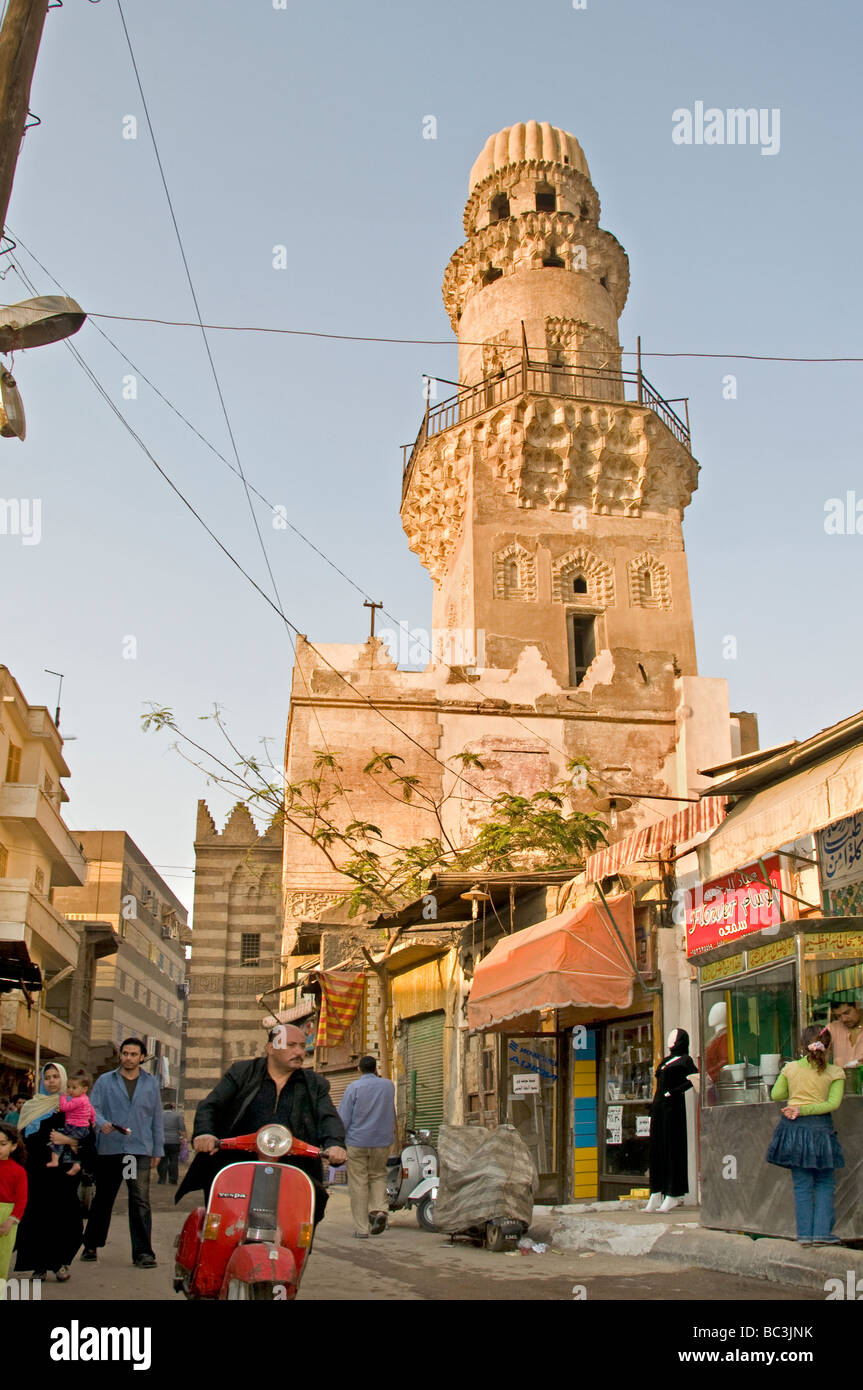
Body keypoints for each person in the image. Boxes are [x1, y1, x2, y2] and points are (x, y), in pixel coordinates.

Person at [176, 1023, 347, 1225]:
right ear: (270, 1048)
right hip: (237, 1163)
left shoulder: (314, 1083)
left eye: (302, 1046)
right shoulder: (242, 1072)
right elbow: (210, 1105)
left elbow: (328, 1117)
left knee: (304, 1219)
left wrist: (335, 1144)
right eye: (291, 1045)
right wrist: (205, 1133)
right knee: (222, 1222)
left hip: (294, 1167)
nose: (300, 1051)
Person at [80, 1038, 164, 1269]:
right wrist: (102, 1123)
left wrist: (157, 1150)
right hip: (110, 1147)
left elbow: (156, 1118)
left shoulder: (150, 1083)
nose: (128, 1058)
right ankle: (91, 1245)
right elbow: (92, 1108)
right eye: (125, 1053)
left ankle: (143, 1253)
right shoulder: (106, 1081)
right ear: (120, 1056)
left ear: (142, 1057)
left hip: (138, 1150)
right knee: (104, 1198)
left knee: (140, 1200)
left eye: (133, 1054)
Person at [14, 1062, 94, 1283]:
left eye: (55, 1077)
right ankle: (38, 1266)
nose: (51, 1081)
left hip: (64, 1171)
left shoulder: (75, 1104)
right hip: (36, 1171)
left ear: (64, 1080)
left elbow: (88, 1139)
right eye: (47, 1077)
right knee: (37, 1217)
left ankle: (60, 1263)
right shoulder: (32, 1106)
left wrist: (67, 1140)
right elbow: (22, 1141)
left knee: (64, 1216)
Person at [766, 1024, 845, 1245]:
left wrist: (798, 1104)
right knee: (825, 1182)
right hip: (821, 1131)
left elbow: (776, 1094)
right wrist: (809, 1107)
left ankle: (804, 1236)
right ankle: (821, 1234)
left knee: (802, 1184)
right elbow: (833, 1103)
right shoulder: (835, 1072)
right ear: (828, 1047)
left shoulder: (790, 1069)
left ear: (802, 1046)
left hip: (794, 1129)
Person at [338, 1055, 397, 1238]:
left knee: (358, 1183)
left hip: (357, 1141)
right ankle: (379, 1210)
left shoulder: (353, 1088)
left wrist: (338, 1140)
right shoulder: (389, 1086)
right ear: (376, 1068)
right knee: (378, 1175)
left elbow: (344, 1117)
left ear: (358, 1069)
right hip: (382, 1141)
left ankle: (362, 1229)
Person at [645, 1028, 698, 1213]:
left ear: (680, 1040)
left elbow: (694, 1078)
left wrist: (674, 1092)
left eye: (674, 1037)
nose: (670, 1039)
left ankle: (673, 1192)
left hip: (673, 1108)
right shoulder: (666, 1061)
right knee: (657, 1149)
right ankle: (656, 1191)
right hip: (659, 1106)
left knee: (672, 1148)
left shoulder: (685, 1060)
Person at [47, 1071, 96, 1175]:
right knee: (71, 1147)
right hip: (80, 1128)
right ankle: (75, 1164)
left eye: (55, 1077)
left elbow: (88, 1144)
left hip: (74, 1127)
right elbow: (92, 1111)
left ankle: (56, 1160)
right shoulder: (85, 1100)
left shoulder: (75, 1101)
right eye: (68, 1087)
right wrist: (92, 1120)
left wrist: (62, 1097)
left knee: (59, 1140)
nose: (70, 1090)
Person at [0, 1122, 28, 1282]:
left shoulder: (18, 1171)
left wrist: (11, 1220)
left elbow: (21, 1199)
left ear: (13, 1146)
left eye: (2, 1144)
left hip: (6, 1216)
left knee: (2, 1258)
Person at [158, 1102, 186, 1185]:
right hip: (174, 1141)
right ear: (172, 1108)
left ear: (164, 1108)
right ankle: (173, 1179)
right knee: (174, 1160)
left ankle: (162, 1179)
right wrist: (182, 1138)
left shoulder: (159, 1116)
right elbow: (182, 1128)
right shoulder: (178, 1116)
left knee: (162, 1161)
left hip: (162, 1140)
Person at [828, 1000, 863, 1068]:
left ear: (858, 1006)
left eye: (847, 1013)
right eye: (838, 1016)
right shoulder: (833, 1029)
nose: (844, 1019)